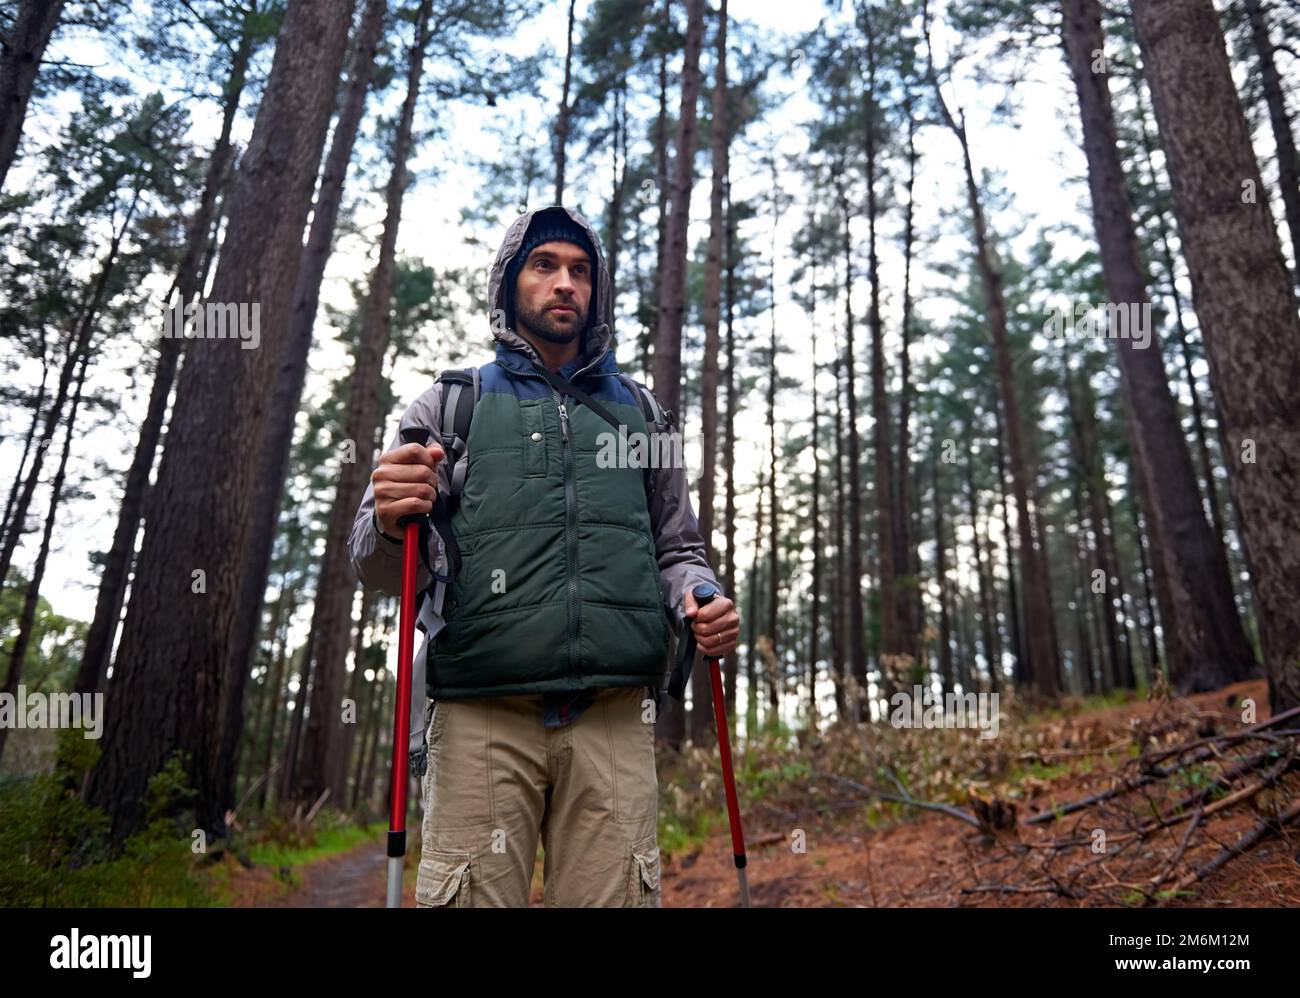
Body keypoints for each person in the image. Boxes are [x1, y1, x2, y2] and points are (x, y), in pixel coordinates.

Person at [348, 204, 739, 907]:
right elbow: (381, 571)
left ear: (597, 292)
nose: (565, 284)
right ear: (509, 284)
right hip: (480, 715)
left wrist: (700, 597)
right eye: (545, 265)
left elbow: (678, 548)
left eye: (581, 271)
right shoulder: (450, 406)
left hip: (615, 718)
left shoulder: (643, 417)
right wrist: (385, 517)